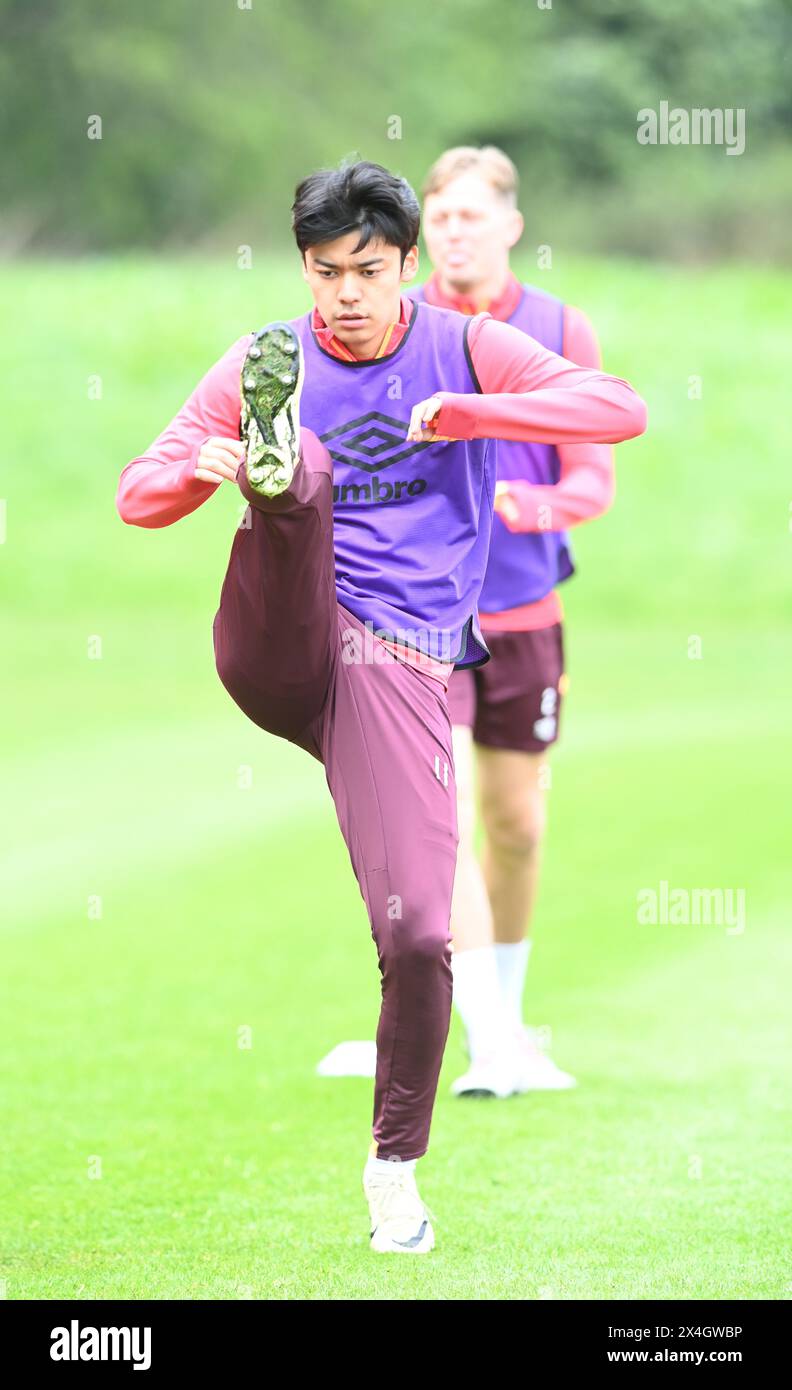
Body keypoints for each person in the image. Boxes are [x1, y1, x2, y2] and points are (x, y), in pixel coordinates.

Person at [116, 158, 647, 1254]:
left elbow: (617, 410)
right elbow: (137, 496)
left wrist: (467, 414)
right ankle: (276, 465)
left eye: (367, 270)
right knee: (293, 466)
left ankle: (394, 1169)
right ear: (304, 271)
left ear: (408, 266)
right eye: (324, 272)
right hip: (276, 638)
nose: (345, 294)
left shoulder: (461, 345)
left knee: (416, 930)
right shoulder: (271, 354)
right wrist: (206, 471)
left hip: (392, 662)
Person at [413, 145, 620, 1098]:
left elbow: (592, 477)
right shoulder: (403, 325)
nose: (453, 230)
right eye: (439, 215)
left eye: (470, 215)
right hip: (424, 616)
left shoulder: (557, 328)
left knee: (517, 827)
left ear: (511, 225)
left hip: (528, 611)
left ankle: (507, 1020)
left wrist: (531, 510)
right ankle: (491, 1040)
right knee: (444, 824)